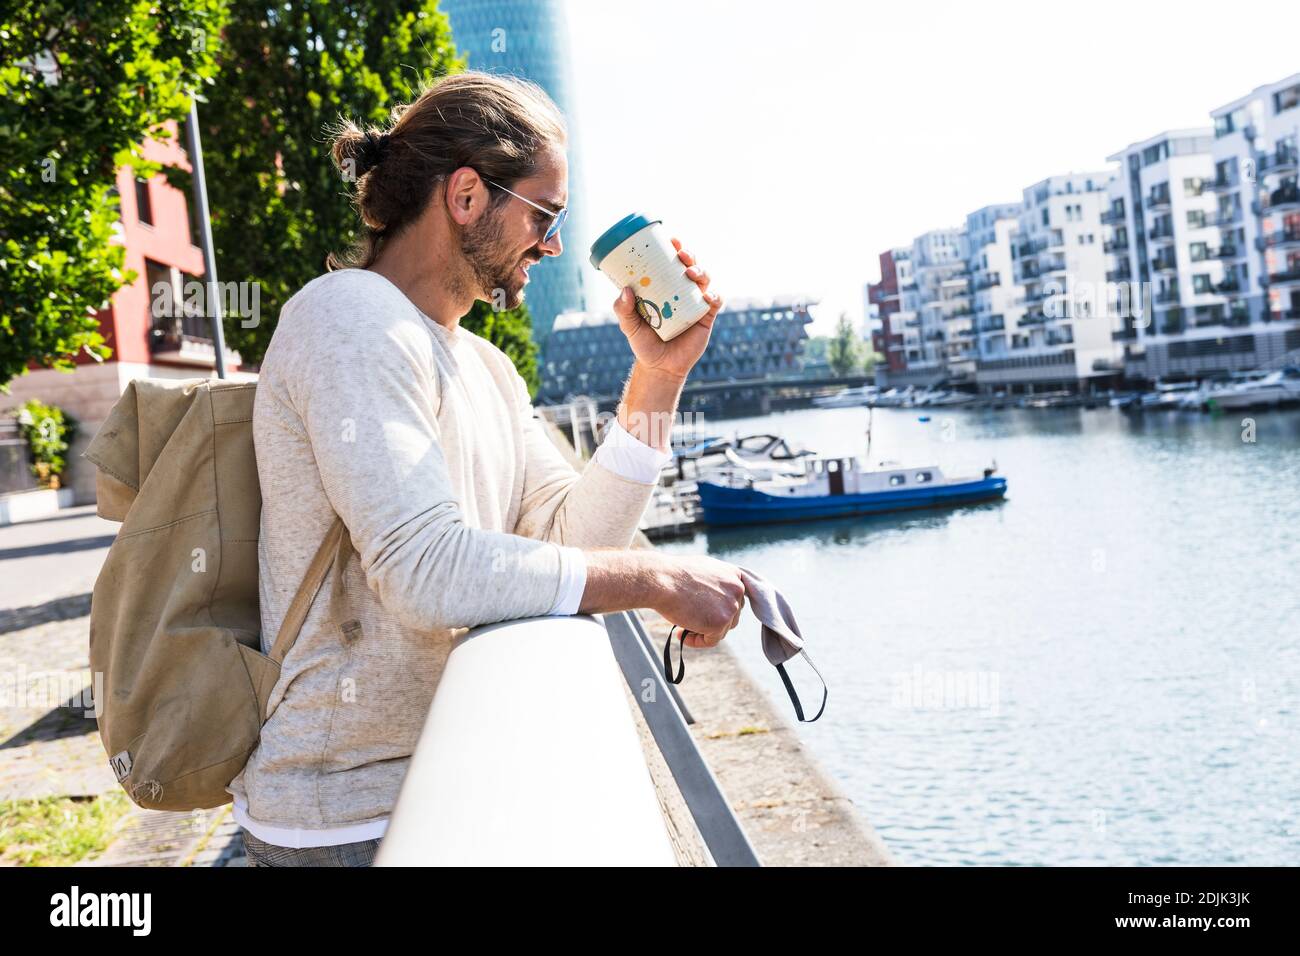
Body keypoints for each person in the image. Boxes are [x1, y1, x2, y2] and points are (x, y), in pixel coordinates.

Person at [228, 71, 747, 866]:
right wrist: (656, 584)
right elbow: (426, 572)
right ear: (467, 195)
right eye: (545, 214)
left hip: (451, 787)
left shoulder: (485, 367)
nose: (554, 244)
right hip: (351, 817)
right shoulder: (348, 320)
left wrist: (659, 379)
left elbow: (576, 534)